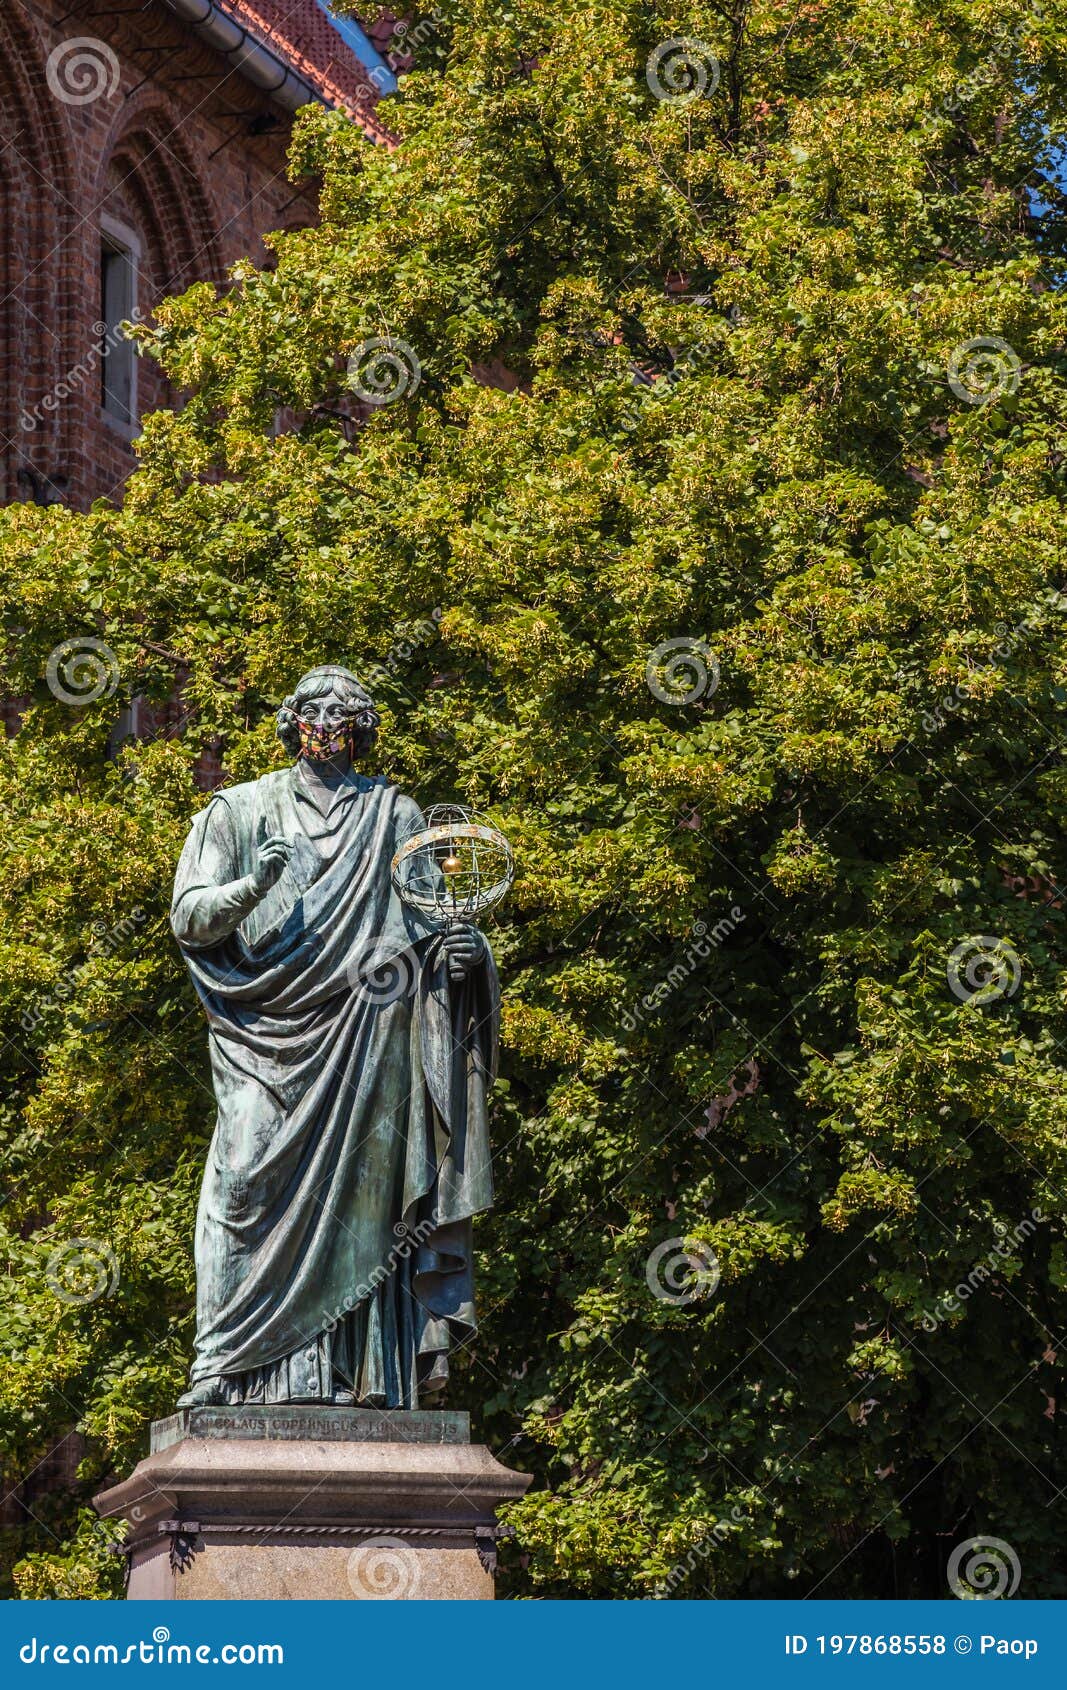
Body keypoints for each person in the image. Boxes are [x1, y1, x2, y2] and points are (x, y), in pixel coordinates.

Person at [170, 665, 496, 1408]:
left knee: (366, 1209)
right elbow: (190, 918)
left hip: (370, 1036)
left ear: (361, 727)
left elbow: (432, 927)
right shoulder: (239, 808)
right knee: (242, 1176)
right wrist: (252, 887)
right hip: (263, 1032)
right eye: (313, 711)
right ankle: (222, 1363)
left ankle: (359, 1377)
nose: (327, 722)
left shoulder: (396, 814)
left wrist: (465, 959)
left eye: (343, 712)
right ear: (292, 722)